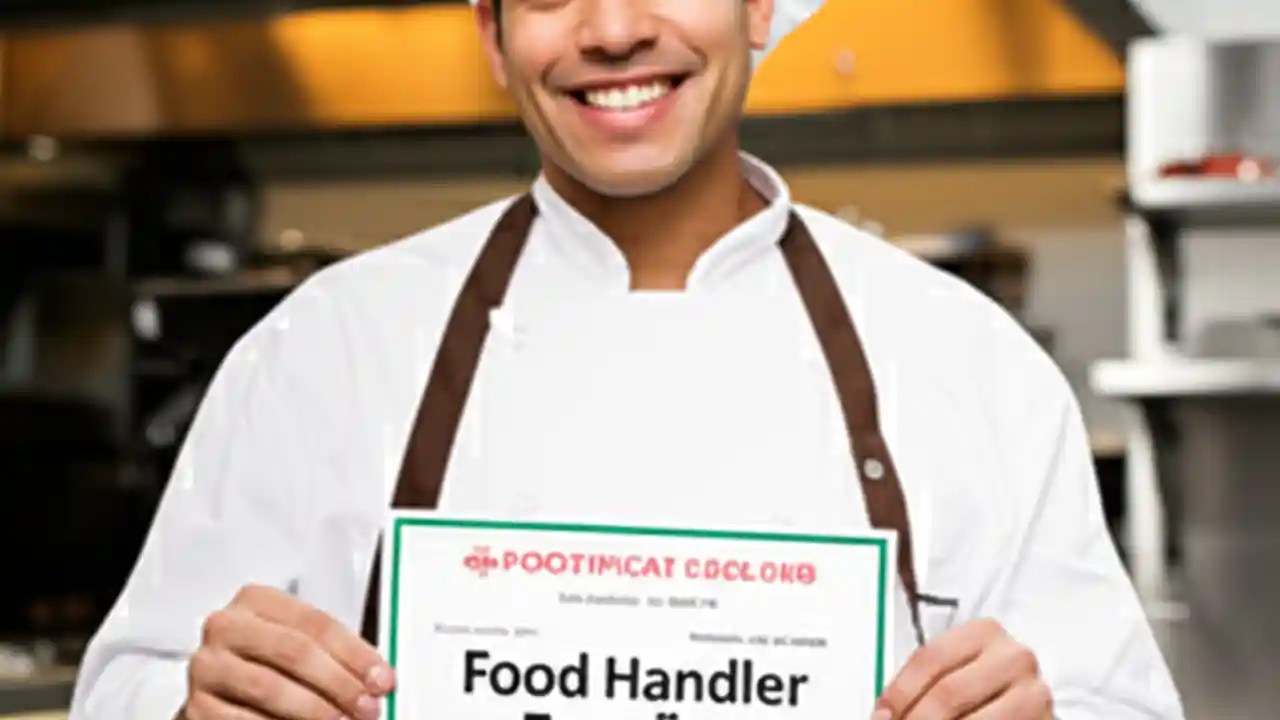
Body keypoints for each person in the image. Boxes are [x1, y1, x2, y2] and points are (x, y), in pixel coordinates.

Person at [70, 0, 1185, 718]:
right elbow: (126, 687)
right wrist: (192, 702)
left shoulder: (962, 358)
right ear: (490, 29)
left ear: (759, 7)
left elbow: (1115, 705)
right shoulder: (323, 349)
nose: (610, 30)